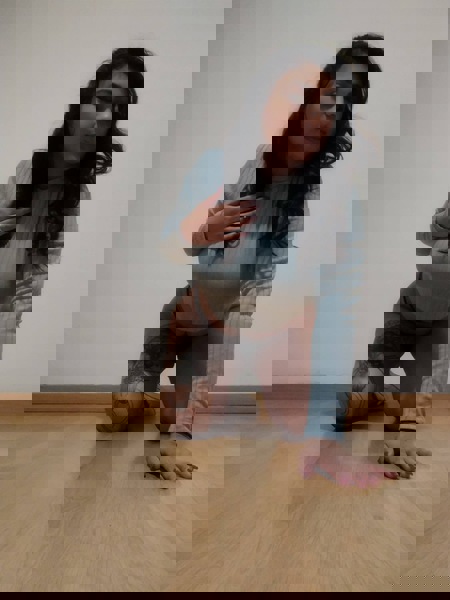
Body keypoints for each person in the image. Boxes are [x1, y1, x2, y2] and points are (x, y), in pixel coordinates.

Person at [96, 35, 384, 482]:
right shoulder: (266, 162)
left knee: (202, 365)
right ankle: (135, 399)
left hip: (240, 287)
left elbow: (269, 242)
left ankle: (167, 439)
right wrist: (206, 238)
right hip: (214, 277)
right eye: (325, 100)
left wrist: (248, 288)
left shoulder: (305, 182)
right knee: (172, 344)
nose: (326, 115)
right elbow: (217, 222)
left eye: (338, 107)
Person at [0, 47, 152, 357]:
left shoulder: (73, 201)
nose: (106, 116)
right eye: (102, 100)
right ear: (81, 101)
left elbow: (30, 288)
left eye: (116, 110)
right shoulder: (23, 159)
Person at [334, 195, 450, 479]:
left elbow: (426, 372)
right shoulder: (441, 256)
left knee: (417, 376)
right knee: (355, 398)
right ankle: (360, 406)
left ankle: (381, 409)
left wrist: (404, 432)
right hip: (407, 316)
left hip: (430, 319)